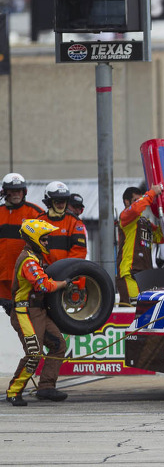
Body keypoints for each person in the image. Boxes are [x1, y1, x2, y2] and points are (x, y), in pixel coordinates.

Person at [6, 219, 72, 406]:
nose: (47, 242)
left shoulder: (35, 257)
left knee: (58, 345)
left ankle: (46, 387)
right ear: (34, 239)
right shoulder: (28, 260)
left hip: (38, 311)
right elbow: (44, 285)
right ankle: (14, 391)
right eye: (44, 239)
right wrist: (64, 284)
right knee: (34, 353)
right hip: (24, 312)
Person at [116, 185, 164, 306]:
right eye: (135, 200)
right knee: (132, 310)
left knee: (146, 313)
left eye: (139, 199)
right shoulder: (125, 216)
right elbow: (136, 209)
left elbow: (161, 238)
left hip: (145, 275)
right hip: (129, 273)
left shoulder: (145, 222)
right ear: (127, 202)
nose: (138, 203)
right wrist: (151, 193)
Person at [0, 173, 42, 308]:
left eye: (18, 191)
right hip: (2, 276)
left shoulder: (35, 213)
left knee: (24, 312)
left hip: (24, 276)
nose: (16, 194)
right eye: (12, 191)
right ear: (5, 192)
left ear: (24, 192)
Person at [37, 181, 87, 264]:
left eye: (63, 201)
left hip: (68, 274)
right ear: (49, 201)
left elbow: (79, 251)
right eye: (57, 201)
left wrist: (64, 270)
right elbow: (34, 249)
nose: (61, 205)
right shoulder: (39, 221)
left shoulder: (75, 222)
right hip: (44, 273)